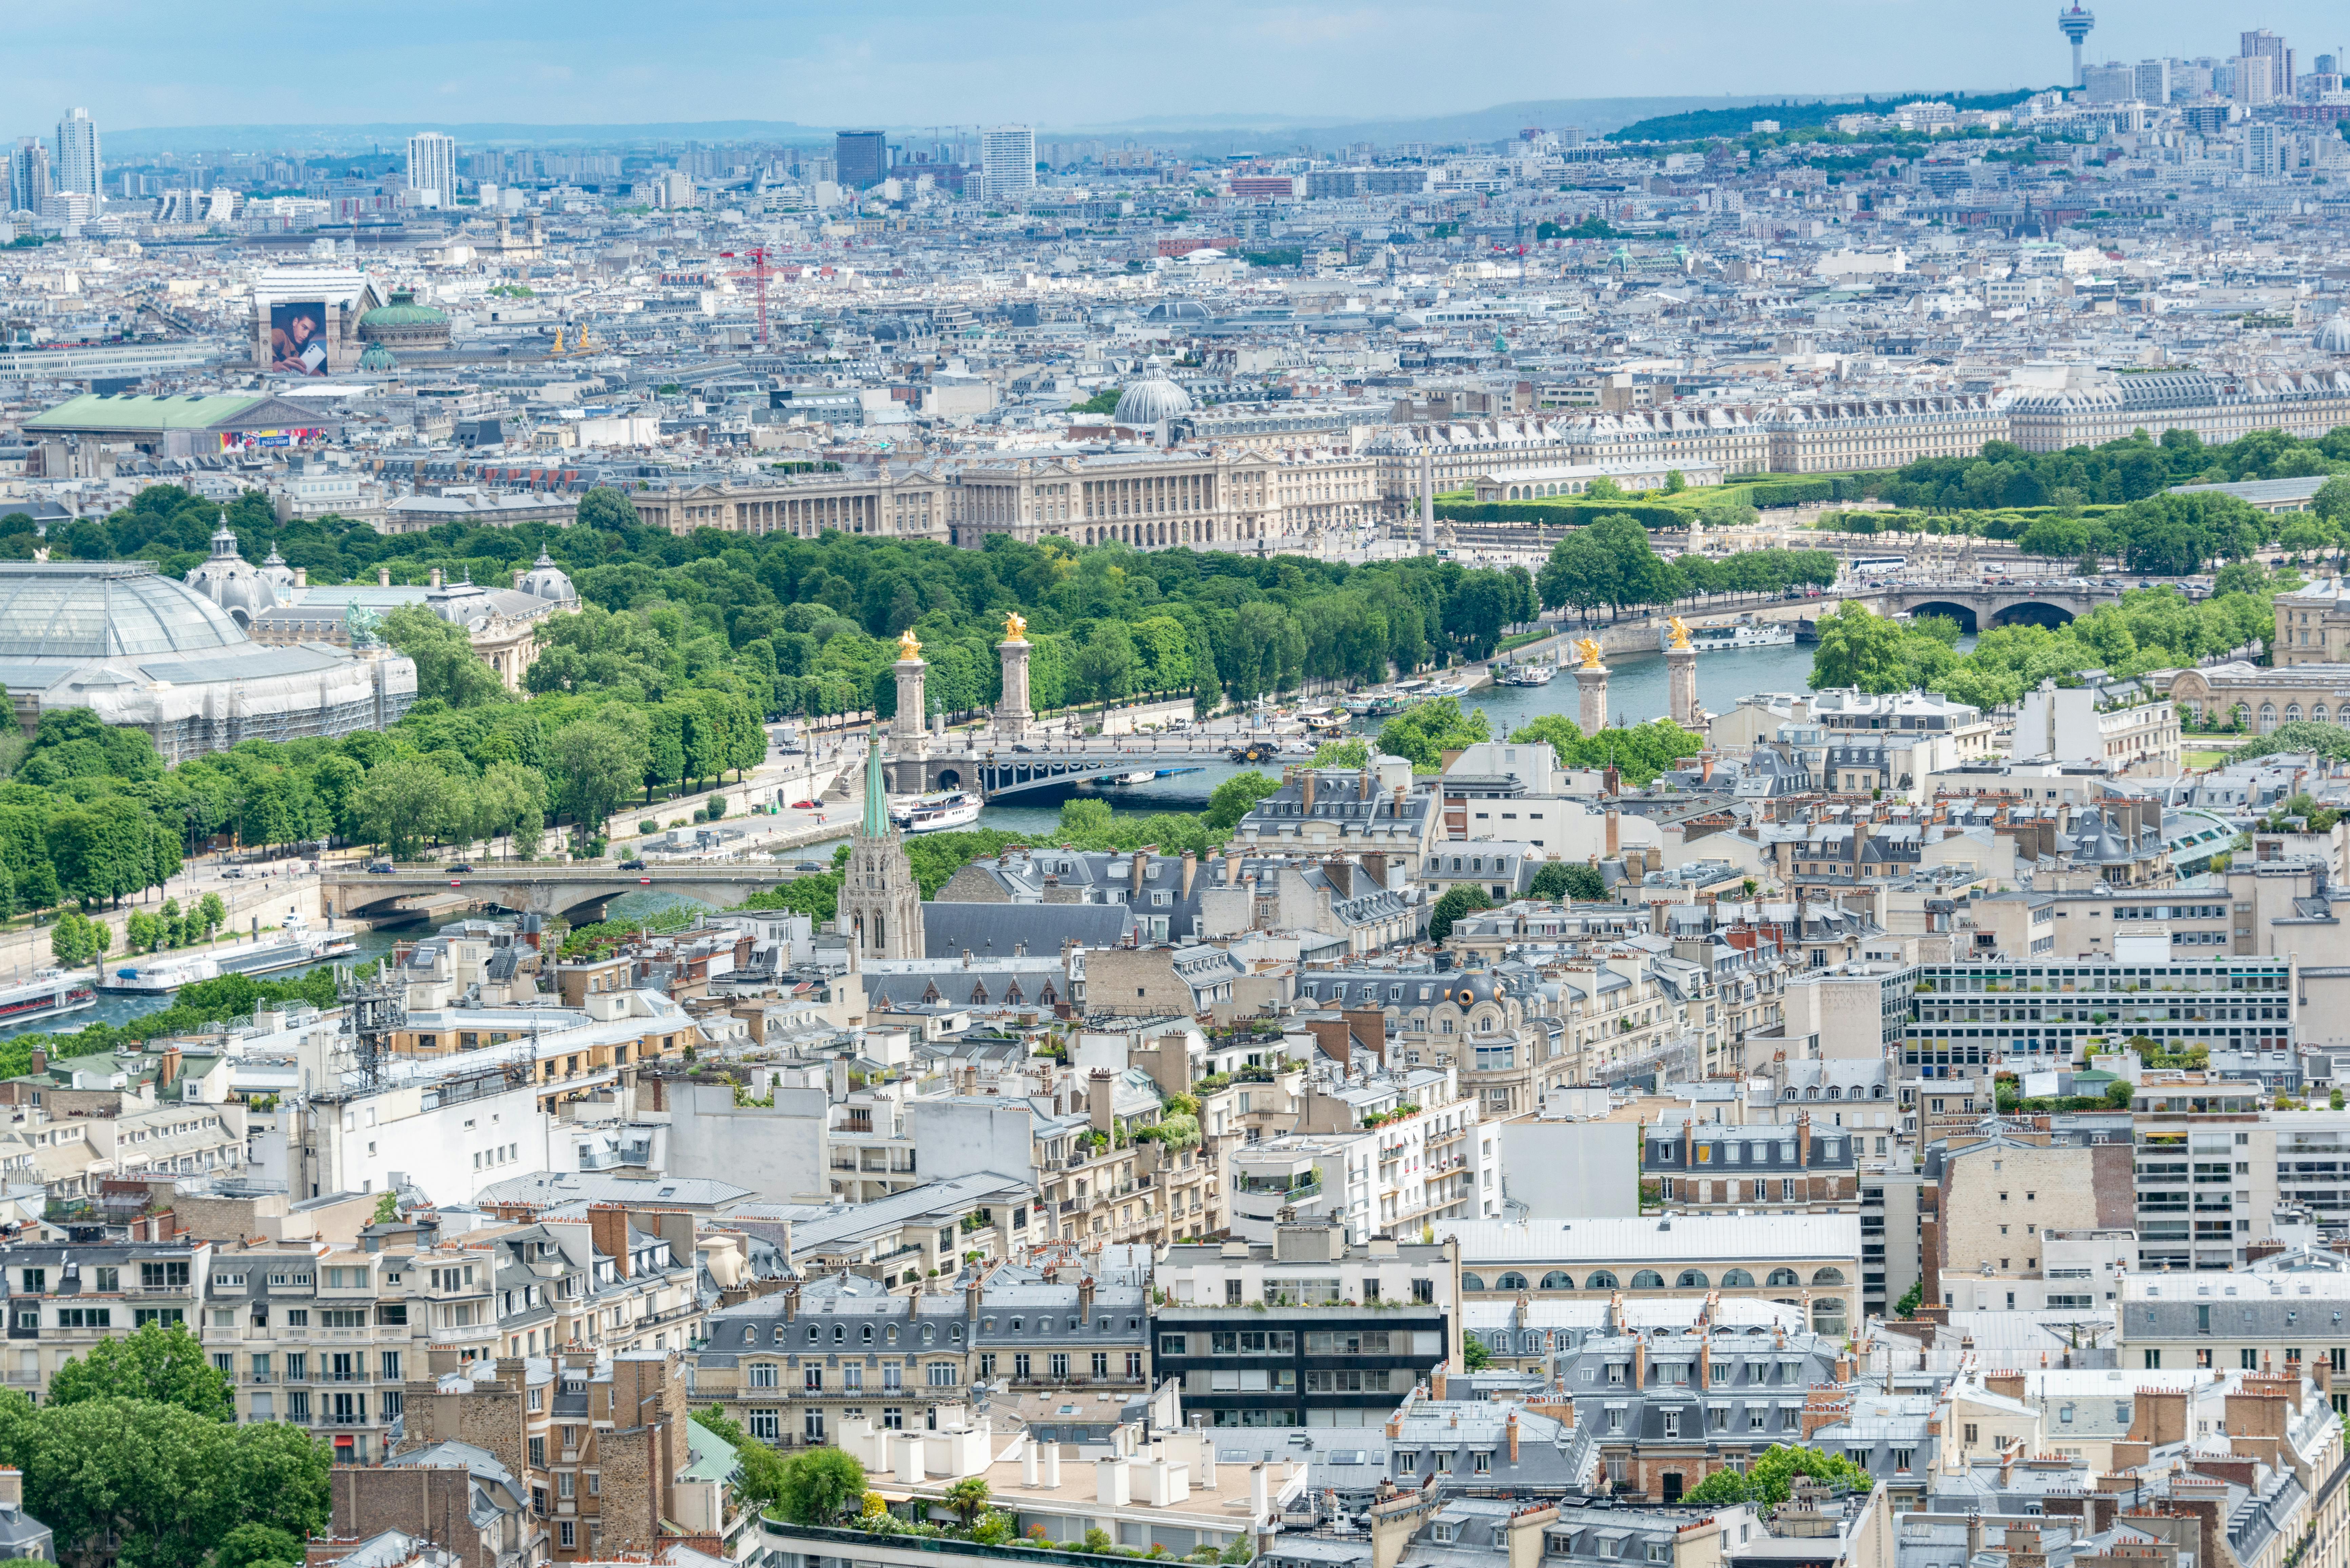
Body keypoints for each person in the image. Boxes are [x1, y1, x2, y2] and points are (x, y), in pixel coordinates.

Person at [271, 309, 327, 375]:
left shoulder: (302, 347)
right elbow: (266, 347)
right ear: (295, 322)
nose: (306, 335)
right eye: (304, 328)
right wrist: (274, 364)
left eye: (311, 333)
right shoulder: (279, 334)